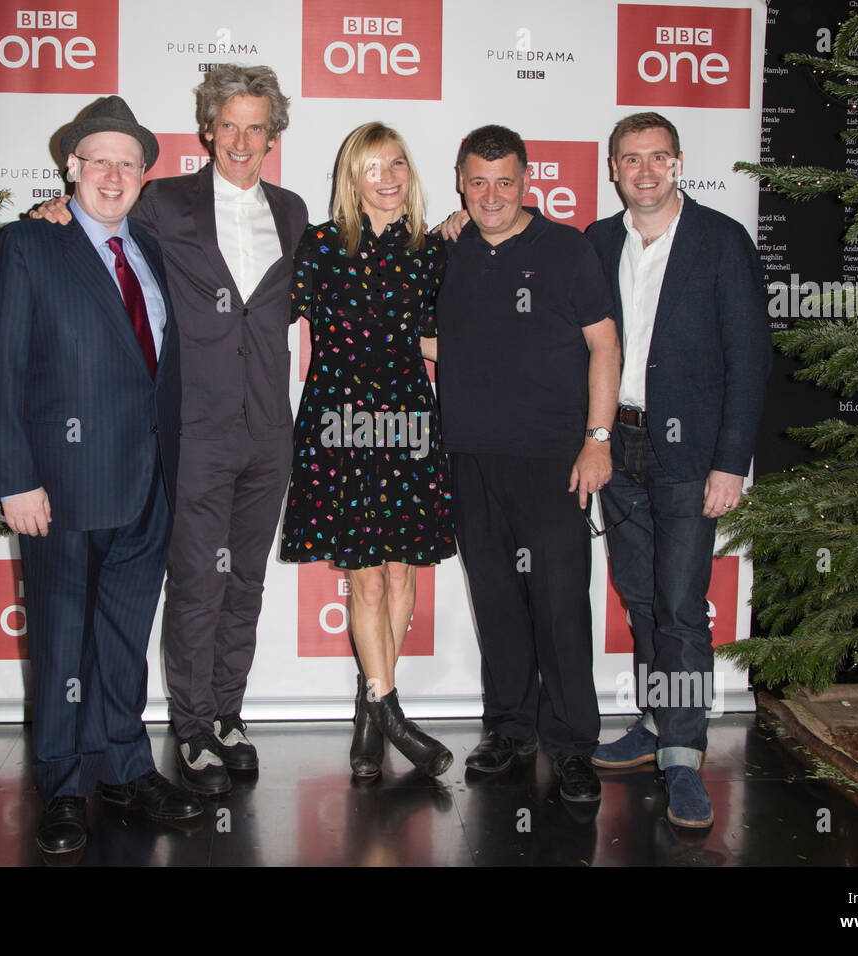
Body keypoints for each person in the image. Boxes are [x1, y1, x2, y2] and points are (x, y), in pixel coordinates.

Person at [32, 66, 309, 795]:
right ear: (208, 130)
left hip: (268, 433)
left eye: (257, 126)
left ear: (272, 135)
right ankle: (189, 725)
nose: (242, 139)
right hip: (194, 429)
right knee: (196, 583)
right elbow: (101, 235)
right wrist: (52, 210)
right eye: (230, 124)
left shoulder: (292, 211)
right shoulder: (165, 202)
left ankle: (227, 714)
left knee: (244, 582)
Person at [0, 96, 202, 861]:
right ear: (69, 166)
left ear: (143, 178)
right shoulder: (24, 247)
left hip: (149, 487)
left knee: (122, 639)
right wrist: (13, 479)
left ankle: (126, 767)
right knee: (64, 642)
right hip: (62, 489)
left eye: (127, 162)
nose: (112, 173)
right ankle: (65, 785)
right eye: (96, 159)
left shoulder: (153, 254)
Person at [584, 111, 771, 828]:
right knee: (640, 599)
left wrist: (732, 463)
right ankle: (658, 723)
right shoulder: (598, 243)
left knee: (682, 607)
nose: (645, 171)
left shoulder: (722, 242)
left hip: (691, 456)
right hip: (619, 447)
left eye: (658, 158)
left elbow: (749, 361)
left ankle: (685, 756)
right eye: (631, 159)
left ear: (679, 162)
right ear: (613, 170)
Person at [435, 125, 620, 803]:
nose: (490, 195)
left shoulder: (566, 249)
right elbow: (436, 339)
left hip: (554, 460)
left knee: (560, 604)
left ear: (527, 180)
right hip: (471, 455)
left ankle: (573, 745)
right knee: (497, 600)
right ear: (461, 180)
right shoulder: (447, 250)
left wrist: (597, 439)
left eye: (504, 181)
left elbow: (605, 345)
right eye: (478, 181)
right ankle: (510, 729)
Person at [282, 122, 456, 779]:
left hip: (408, 421)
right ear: (351, 181)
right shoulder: (320, 247)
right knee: (366, 576)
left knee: (403, 572)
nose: (388, 178)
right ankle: (393, 716)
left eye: (398, 164)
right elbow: (261, 303)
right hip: (342, 424)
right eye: (372, 168)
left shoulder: (431, 252)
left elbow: (435, 340)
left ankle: (369, 706)